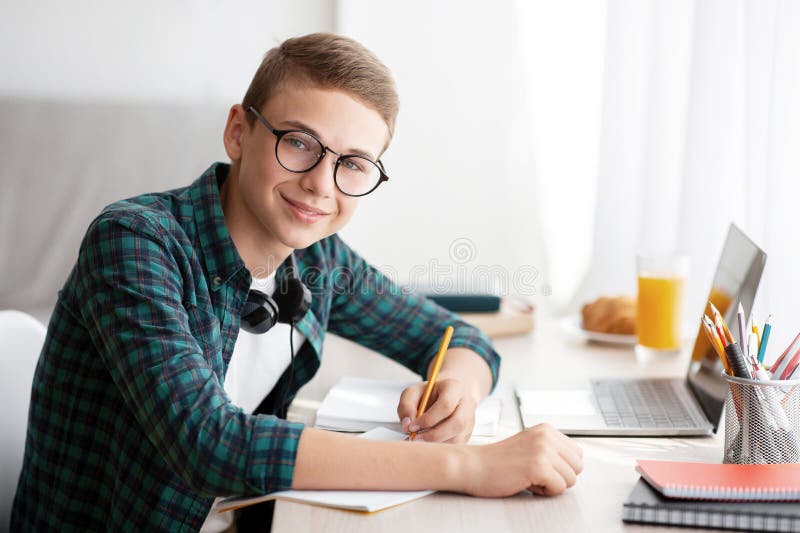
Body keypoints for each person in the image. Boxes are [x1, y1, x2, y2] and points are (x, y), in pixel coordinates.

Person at [11, 33, 583, 532]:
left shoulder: (318, 260)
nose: (321, 185)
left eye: (353, 163)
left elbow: (460, 340)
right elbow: (206, 443)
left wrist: (457, 391)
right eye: (300, 143)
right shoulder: (135, 242)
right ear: (238, 132)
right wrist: (470, 467)